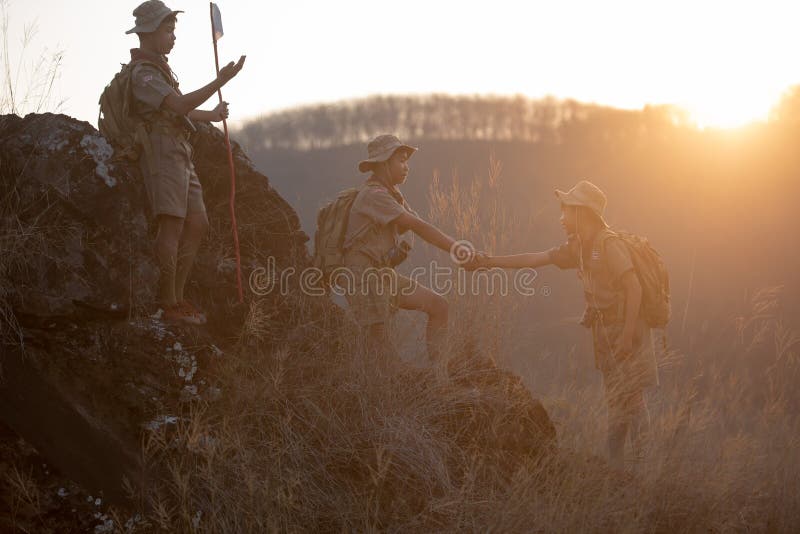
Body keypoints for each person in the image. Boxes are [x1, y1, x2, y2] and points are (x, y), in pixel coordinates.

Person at [477, 180, 658, 468]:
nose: (561, 218)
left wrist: (625, 336)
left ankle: (642, 466)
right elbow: (535, 259)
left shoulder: (608, 244)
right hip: (606, 332)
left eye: (566, 210)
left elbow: (633, 287)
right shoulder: (579, 248)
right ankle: (618, 468)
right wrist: (488, 262)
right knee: (616, 400)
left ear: (583, 213)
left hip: (628, 330)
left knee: (633, 399)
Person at [126, 0, 245, 324]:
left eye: (173, 29)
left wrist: (212, 115)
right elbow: (178, 106)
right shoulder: (143, 74)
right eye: (168, 29)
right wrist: (219, 82)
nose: (173, 36)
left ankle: (177, 297)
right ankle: (168, 302)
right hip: (162, 152)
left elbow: (180, 109)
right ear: (148, 32)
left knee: (198, 222)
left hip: (179, 150)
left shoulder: (160, 71)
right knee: (172, 224)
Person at [342, 134, 477, 368]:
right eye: (401, 161)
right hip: (363, 278)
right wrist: (458, 249)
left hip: (381, 275)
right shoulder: (374, 196)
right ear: (384, 163)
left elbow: (416, 223)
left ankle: (439, 379)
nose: (406, 167)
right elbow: (419, 227)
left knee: (438, 306)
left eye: (407, 161)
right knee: (384, 359)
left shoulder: (391, 195)